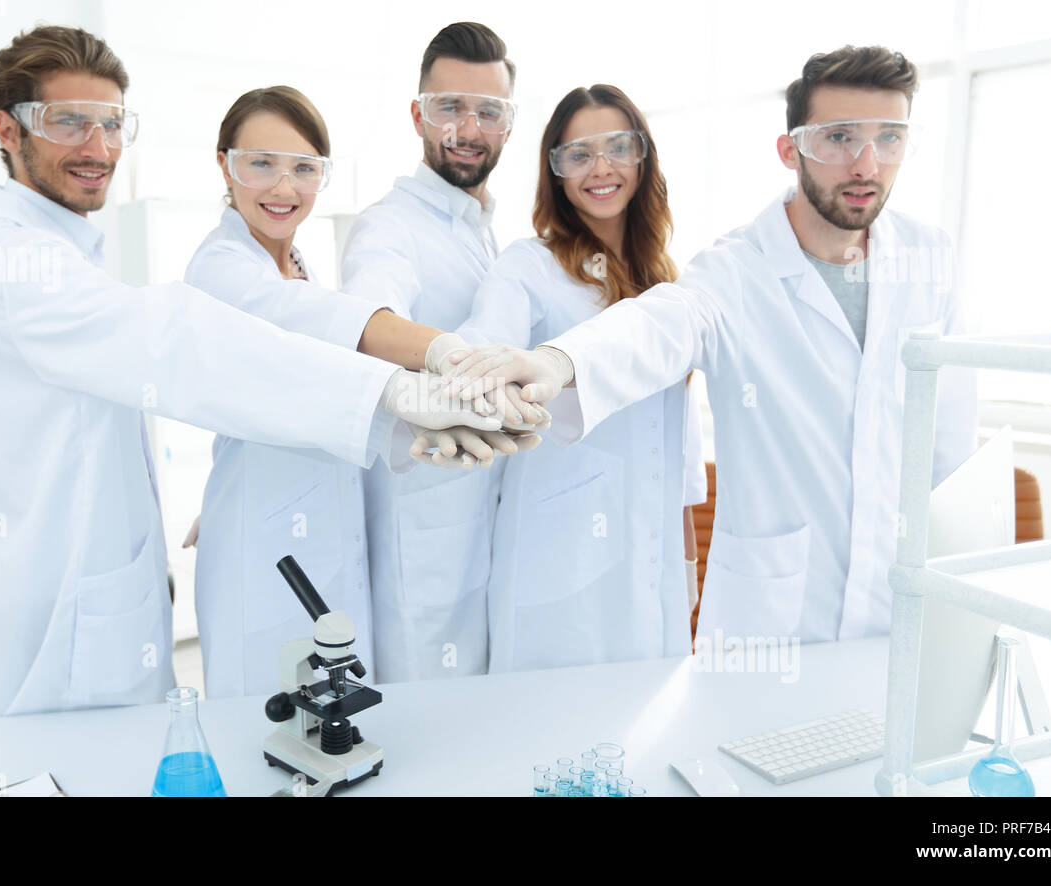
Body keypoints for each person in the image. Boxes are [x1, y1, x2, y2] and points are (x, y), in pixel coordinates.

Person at [0, 26, 501, 716]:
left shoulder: (70, 250)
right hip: (73, 609)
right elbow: (187, 345)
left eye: (111, 124)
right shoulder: (19, 268)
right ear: (7, 130)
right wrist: (408, 377)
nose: (97, 148)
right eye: (67, 122)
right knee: (258, 732)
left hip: (164, 569)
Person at [449, 45, 978, 645]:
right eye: (838, 138)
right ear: (791, 149)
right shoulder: (734, 271)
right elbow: (654, 326)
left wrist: (967, 601)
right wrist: (556, 360)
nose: (865, 163)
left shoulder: (930, 260)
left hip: (901, 610)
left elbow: (952, 452)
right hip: (776, 623)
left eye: (890, 138)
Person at [181, 86, 541, 696]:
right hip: (267, 548)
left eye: (303, 168)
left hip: (321, 529)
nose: (283, 187)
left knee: (332, 724)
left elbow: (291, 389)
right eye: (259, 163)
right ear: (225, 164)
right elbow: (325, 327)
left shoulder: (297, 261)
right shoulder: (222, 268)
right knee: (266, 724)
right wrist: (444, 353)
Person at [457, 85, 709, 671]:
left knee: (645, 726)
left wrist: (688, 555)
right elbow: (479, 346)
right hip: (559, 546)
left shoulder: (666, 282)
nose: (601, 168)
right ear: (557, 173)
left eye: (618, 147)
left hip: (652, 551)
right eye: (578, 154)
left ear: (642, 157)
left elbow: (680, 434)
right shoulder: (529, 266)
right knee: (550, 733)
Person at [339, 22, 520, 682]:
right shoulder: (391, 225)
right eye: (449, 107)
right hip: (427, 527)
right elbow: (369, 319)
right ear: (418, 115)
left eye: (488, 110)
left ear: (508, 124)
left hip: (491, 516)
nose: (468, 127)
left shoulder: (489, 232)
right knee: (431, 719)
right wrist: (447, 355)